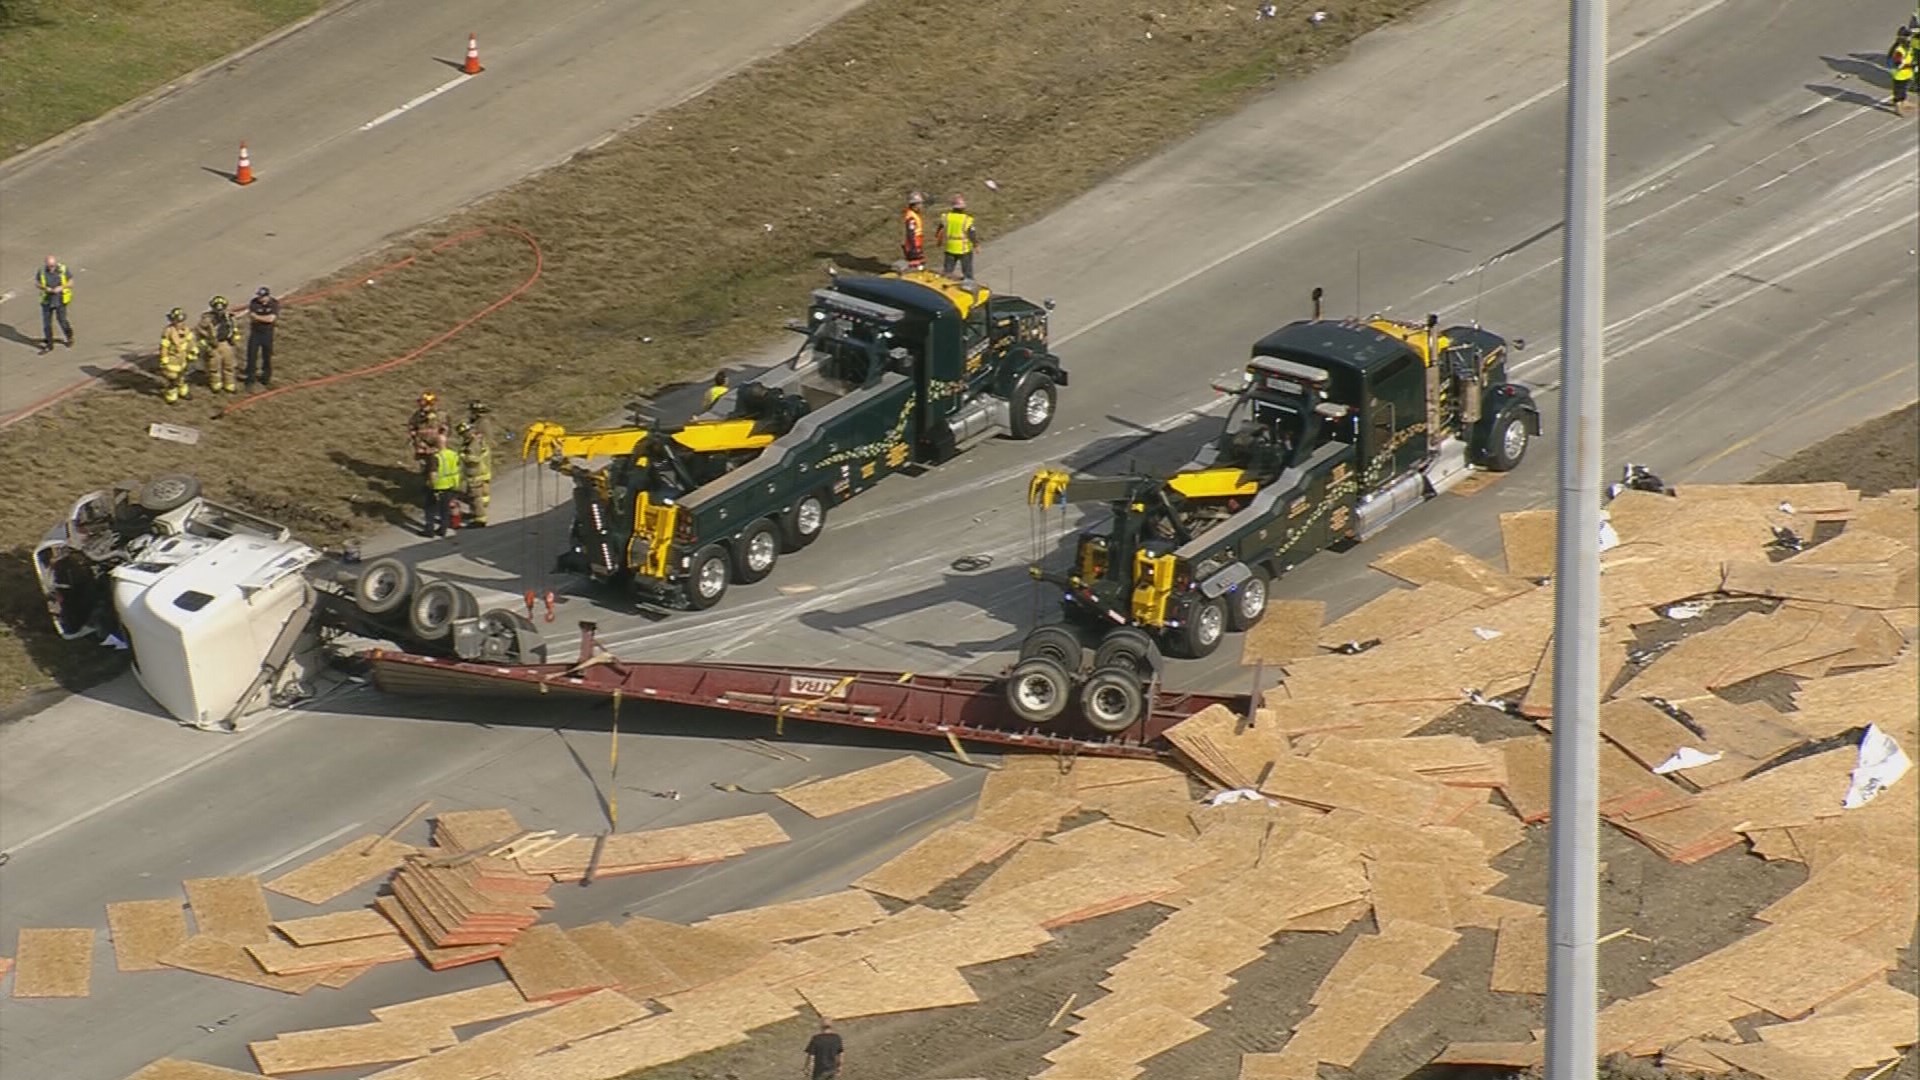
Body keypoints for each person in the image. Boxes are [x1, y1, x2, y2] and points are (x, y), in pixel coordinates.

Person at [196, 296, 242, 393]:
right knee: (214, 366)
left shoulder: (229, 318)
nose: (219, 311)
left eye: (222, 308)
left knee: (228, 364)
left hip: (225, 343)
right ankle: (216, 384)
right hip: (213, 345)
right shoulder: (207, 319)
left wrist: (235, 340)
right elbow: (199, 330)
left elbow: (234, 329)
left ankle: (229, 384)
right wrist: (207, 342)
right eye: (217, 309)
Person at [456, 418, 493, 528]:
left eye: (463, 433)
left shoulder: (473, 444)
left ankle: (480, 519)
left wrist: (462, 456)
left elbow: (474, 459)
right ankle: (476, 512)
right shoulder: (478, 440)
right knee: (478, 496)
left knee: (475, 497)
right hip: (481, 472)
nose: (463, 435)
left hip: (475, 475)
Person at [424, 432, 462, 537]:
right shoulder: (453, 454)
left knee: (430, 509)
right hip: (450, 485)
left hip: (437, 487)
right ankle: (443, 529)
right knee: (444, 510)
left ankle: (429, 531)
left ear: (436, 444)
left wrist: (430, 484)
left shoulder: (435, 457)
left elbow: (433, 474)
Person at [35, 255, 74, 353]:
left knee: (62, 320)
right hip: (47, 300)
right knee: (46, 323)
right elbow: (37, 283)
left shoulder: (63, 270)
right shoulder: (42, 271)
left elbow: (71, 282)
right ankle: (49, 344)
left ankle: (69, 336)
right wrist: (45, 288)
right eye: (49, 266)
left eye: (53, 265)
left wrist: (61, 287)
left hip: (60, 299)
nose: (51, 268)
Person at [935, 194, 978, 281]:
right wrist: (976, 245)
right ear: (963, 208)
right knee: (967, 272)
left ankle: (945, 286)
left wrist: (938, 241)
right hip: (964, 249)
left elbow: (939, 230)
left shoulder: (946, 217)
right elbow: (971, 233)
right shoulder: (967, 219)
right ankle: (968, 286)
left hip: (950, 248)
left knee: (947, 272)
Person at [158, 308, 197, 404]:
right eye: (178, 321)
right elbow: (164, 346)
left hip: (183, 357)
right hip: (173, 358)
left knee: (182, 376)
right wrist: (164, 358)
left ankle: (183, 392)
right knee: (172, 378)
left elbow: (190, 341)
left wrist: (193, 351)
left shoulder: (186, 330)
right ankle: (171, 397)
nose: (180, 323)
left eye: (181, 321)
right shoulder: (168, 332)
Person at [245, 286, 280, 388]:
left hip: (267, 334)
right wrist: (262, 318)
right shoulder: (254, 303)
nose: (259, 298)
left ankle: (266, 378)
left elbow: (271, 319)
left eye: (261, 296)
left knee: (267, 356)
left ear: (267, 296)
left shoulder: (273, 303)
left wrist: (258, 317)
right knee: (251, 356)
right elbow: (252, 316)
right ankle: (250, 379)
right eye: (259, 296)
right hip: (255, 333)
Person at [408, 392, 448, 480]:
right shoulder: (418, 414)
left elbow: (445, 430)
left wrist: (437, 446)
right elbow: (412, 427)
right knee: (424, 466)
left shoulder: (440, 414)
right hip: (422, 444)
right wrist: (417, 441)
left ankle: (437, 487)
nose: (420, 404)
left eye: (423, 402)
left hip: (436, 445)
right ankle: (427, 484)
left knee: (436, 466)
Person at [1890, 27, 1916, 117]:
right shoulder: (1899, 49)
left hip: (1907, 73)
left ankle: (1904, 101)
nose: (1910, 38)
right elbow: (1898, 63)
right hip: (1899, 74)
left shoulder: (1907, 47)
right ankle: (1898, 106)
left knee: (1905, 87)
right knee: (1899, 89)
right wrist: (1911, 65)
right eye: (1909, 37)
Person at [901, 191, 927, 271]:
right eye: (920, 204)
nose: (921, 206)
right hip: (913, 245)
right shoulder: (911, 216)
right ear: (915, 204)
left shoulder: (914, 214)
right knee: (916, 264)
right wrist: (914, 249)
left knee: (920, 262)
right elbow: (910, 234)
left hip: (917, 243)